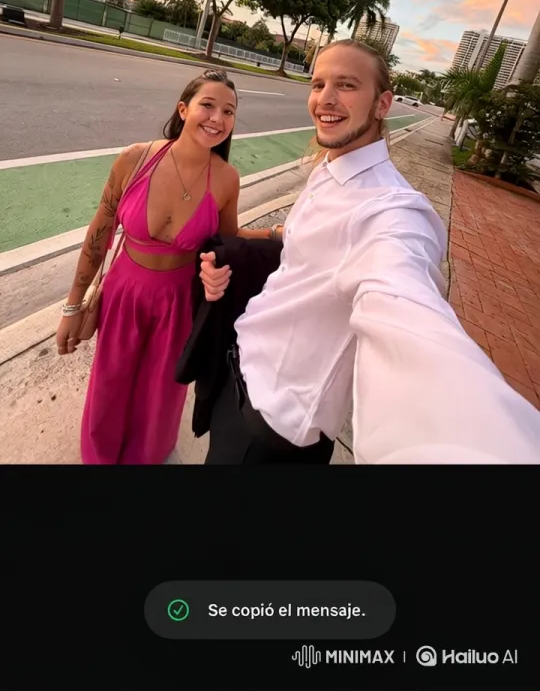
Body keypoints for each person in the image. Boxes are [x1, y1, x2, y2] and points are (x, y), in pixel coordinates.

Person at [200, 40, 540, 465]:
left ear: (382, 104)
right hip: (238, 375)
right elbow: (304, 238)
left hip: (270, 428)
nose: (325, 98)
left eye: (346, 85)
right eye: (318, 83)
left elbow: (405, 307)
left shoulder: (390, 214)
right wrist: (240, 244)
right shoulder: (331, 167)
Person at [56, 69, 277, 465]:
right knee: (110, 381)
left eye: (229, 111)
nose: (217, 118)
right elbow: (100, 231)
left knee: (161, 392)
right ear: (183, 108)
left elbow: (227, 240)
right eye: (207, 105)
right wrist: (73, 307)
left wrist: (274, 234)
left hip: (180, 300)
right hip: (125, 292)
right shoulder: (134, 159)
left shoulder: (227, 178)